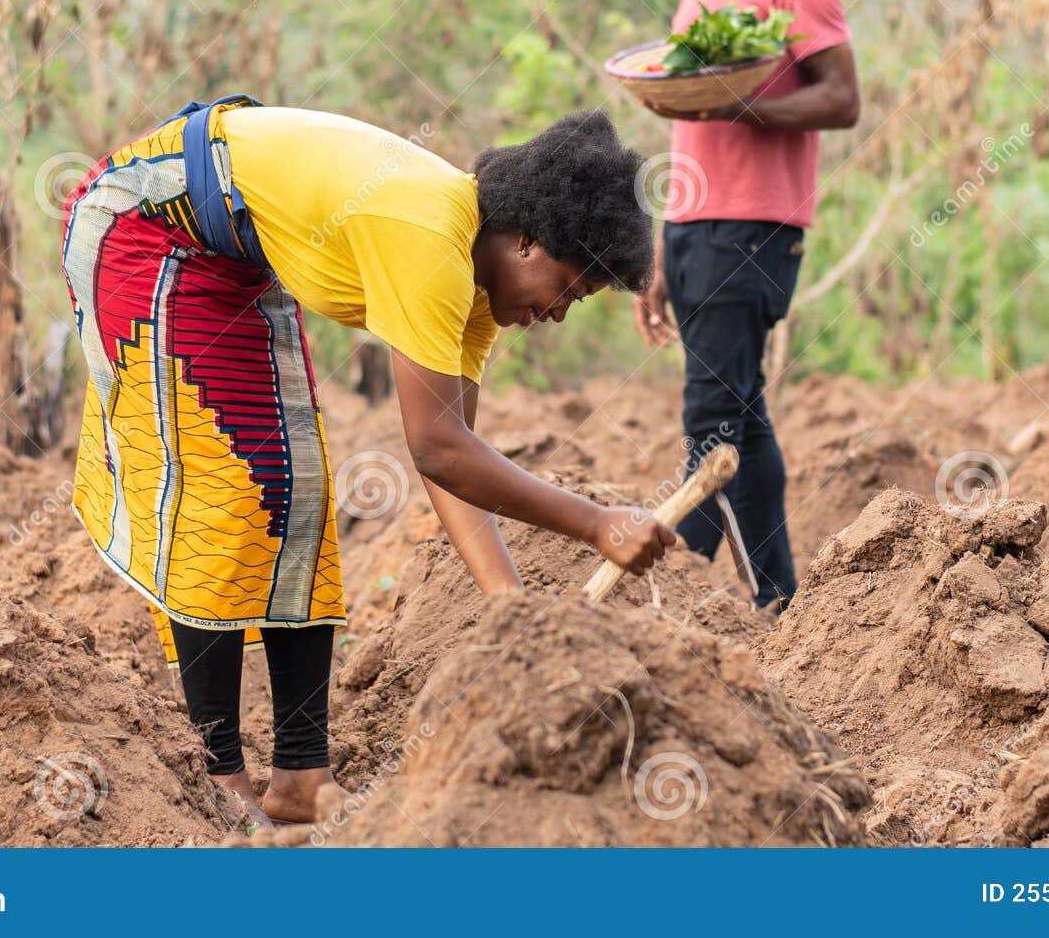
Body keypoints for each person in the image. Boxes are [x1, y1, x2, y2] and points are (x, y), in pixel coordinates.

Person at [61, 102, 675, 826]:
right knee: (222, 494)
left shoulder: (478, 282)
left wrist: (517, 612)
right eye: (568, 288)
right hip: (145, 227)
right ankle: (219, 777)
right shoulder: (428, 236)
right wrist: (597, 523)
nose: (559, 312)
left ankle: (301, 775)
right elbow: (439, 448)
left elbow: (454, 465)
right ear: (528, 241)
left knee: (296, 491)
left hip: (228, 257)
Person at [632, 0, 861, 610]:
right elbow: (684, 132)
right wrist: (661, 253)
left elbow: (842, 97)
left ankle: (675, 586)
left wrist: (750, 108)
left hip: (756, 229)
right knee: (741, 413)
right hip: (694, 229)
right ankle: (778, 600)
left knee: (712, 418)